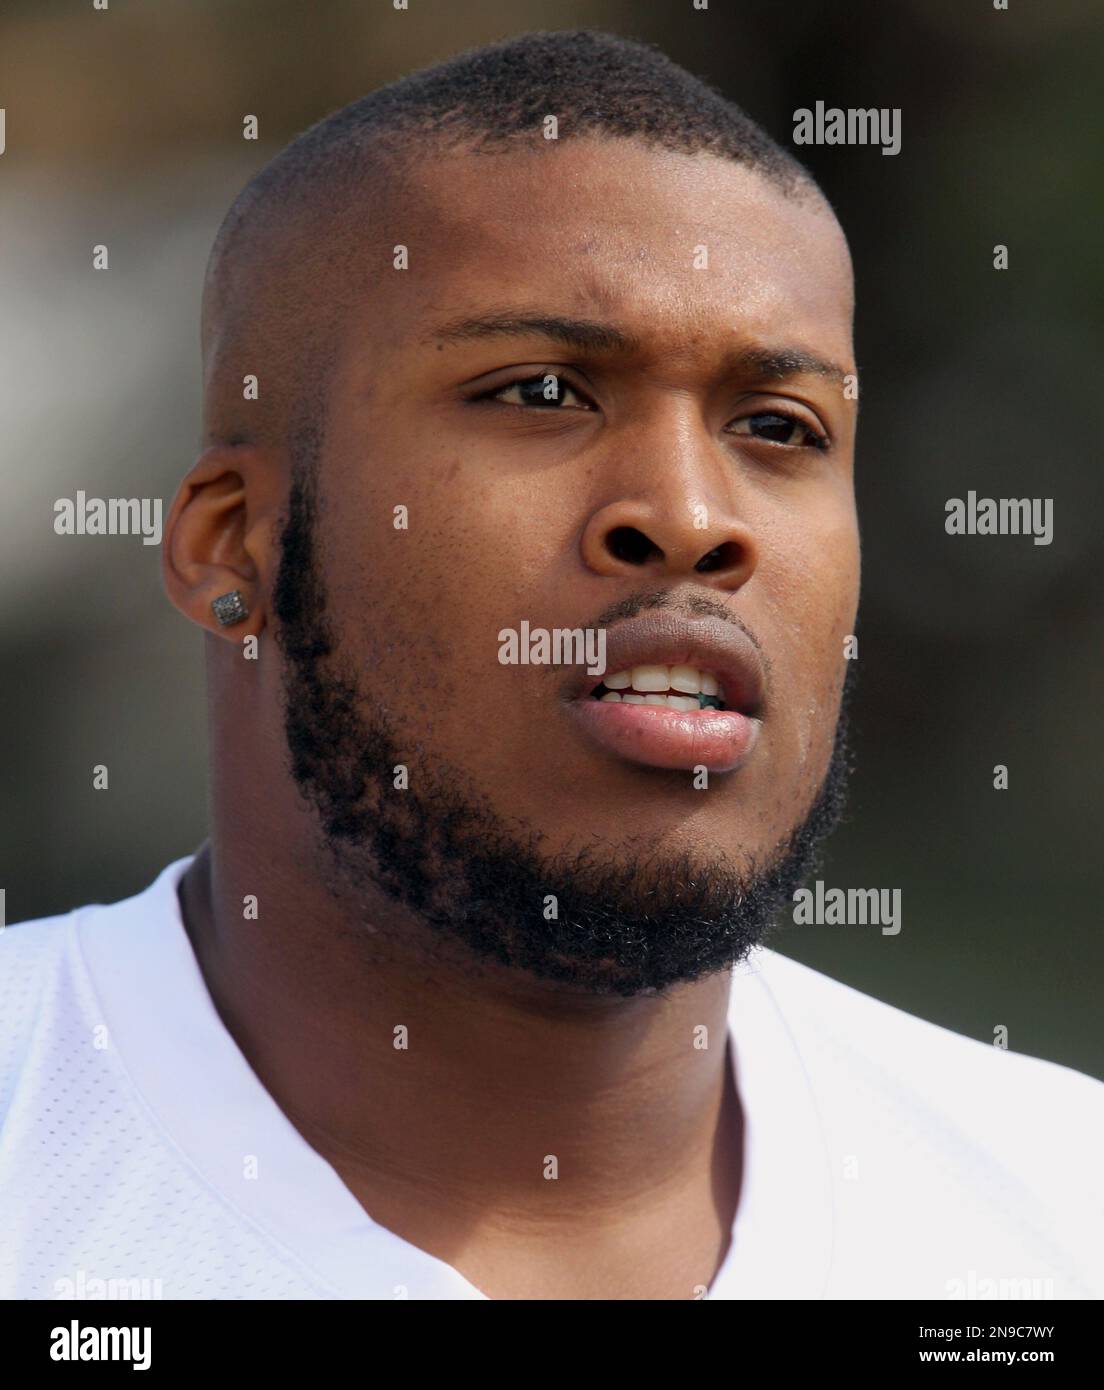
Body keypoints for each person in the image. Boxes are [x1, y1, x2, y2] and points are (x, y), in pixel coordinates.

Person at [2, 29, 1100, 1301]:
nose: (693, 516)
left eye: (777, 426)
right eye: (541, 393)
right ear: (229, 546)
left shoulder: (1060, 1213)